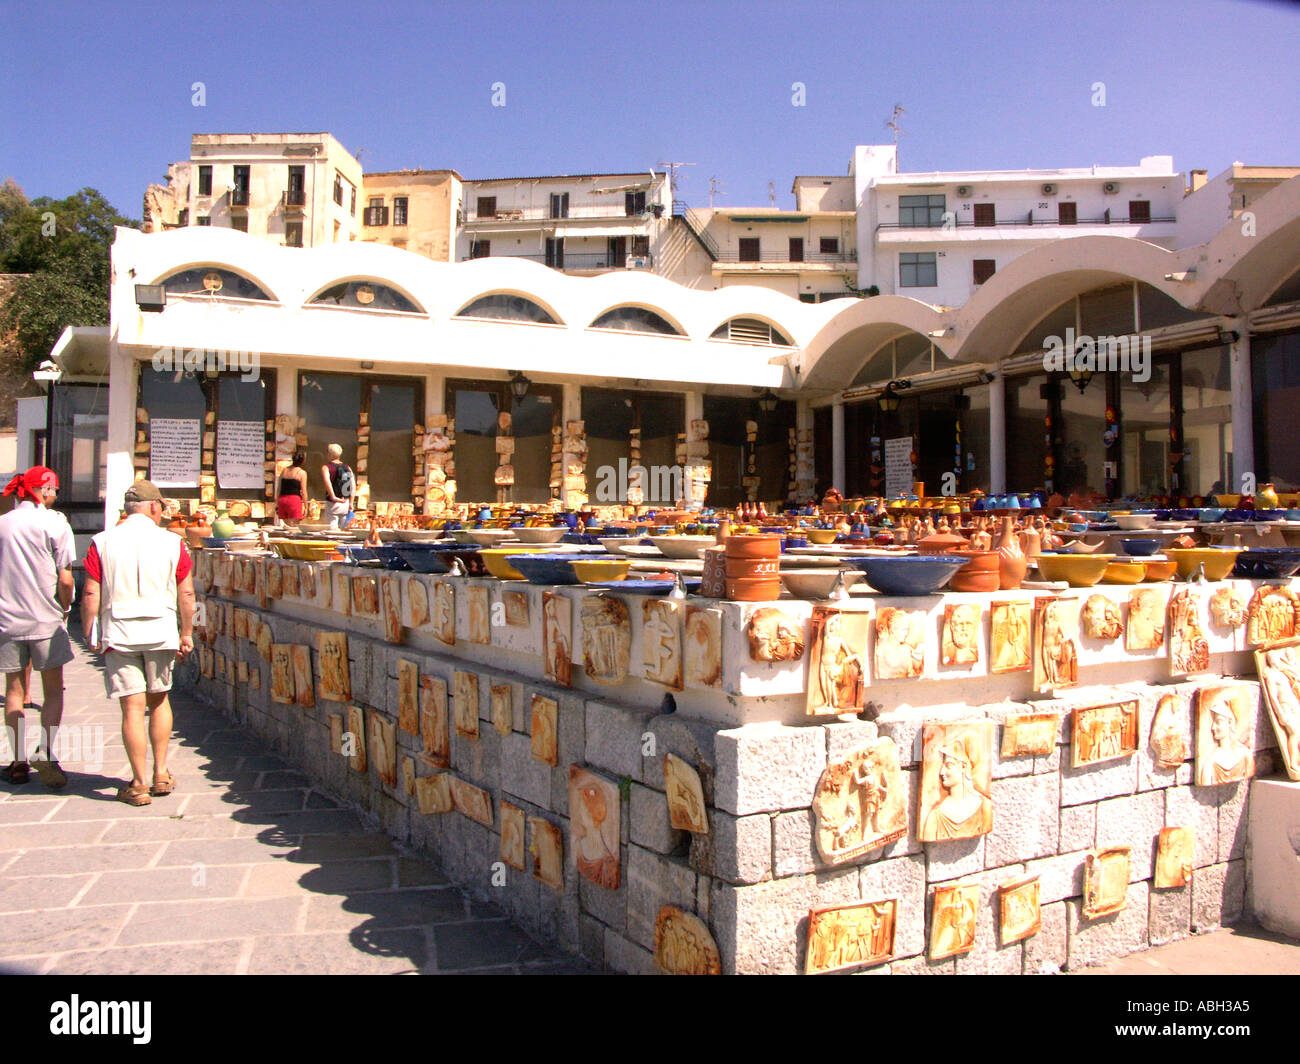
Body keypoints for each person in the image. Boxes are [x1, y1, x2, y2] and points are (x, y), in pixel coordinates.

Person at [80, 480, 195, 806]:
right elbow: (186, 593)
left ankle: (139, 783)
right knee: (159, 700)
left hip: (119, 632)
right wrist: (186, 632)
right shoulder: (174, 543)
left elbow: (91, 592)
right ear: (155, 507)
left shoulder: (101, 542)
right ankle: (161, 773)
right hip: (160, 630)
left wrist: (90, 631)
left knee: (131, 706)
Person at [0, 465, 75, 787]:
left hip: (7, 619)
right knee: (53, 689)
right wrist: (66, 605)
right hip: (45, 618)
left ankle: (17, 761)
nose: (56, 496)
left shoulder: (3, 524)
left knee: (14, 691)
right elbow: (66, 577)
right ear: (43, 489)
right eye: (54, 490)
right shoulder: (55, 524)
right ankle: (46, 751)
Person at [320, 444, 356, 530]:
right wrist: (351, 502)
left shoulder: (326, 467)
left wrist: (333, 497)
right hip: (345, 503)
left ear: (329, 454)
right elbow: (353, 485)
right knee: (344, 530)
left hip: (333, 503)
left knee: (331, 531)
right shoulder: (347, 467)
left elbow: (327, 482)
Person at [276, 450, 310, 527]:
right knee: (294, 527)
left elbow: (279, 488)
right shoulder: (302, 473)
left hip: (282, 499)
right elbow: (304, 491)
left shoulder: (284, 470)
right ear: (303, 461)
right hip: (294, 500)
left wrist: (277, 503)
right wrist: (306, 506)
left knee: (286, 526)